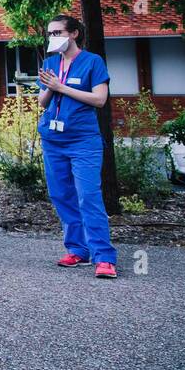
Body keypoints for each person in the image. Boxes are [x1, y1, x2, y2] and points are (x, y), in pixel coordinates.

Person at [37, 14, 117, 278]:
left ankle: (104, 257)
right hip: (53, 140)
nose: (53, 38)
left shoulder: (93, 62)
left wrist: (61, 86)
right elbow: (42, 103)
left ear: (73, 34)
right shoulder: (50, 62)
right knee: (61, 195)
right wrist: (50, 87)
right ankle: (78, 250)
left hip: (83, 141)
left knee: (88, 196)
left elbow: (99, 99)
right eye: (50, 34)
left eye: (58, 32)